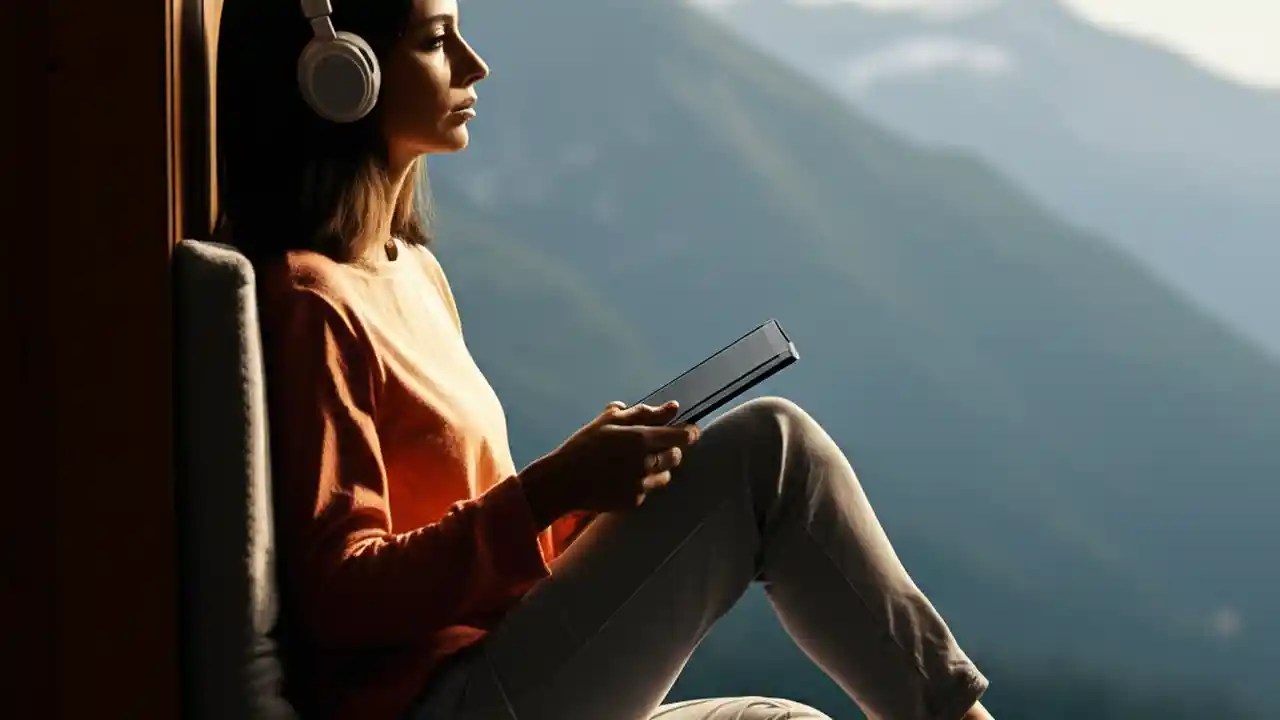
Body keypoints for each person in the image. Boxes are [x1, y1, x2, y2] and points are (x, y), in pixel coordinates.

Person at [215, 1, 993, 718]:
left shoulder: (411, 270)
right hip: (438, 703)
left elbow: (479, 544)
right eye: (435, 40)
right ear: (342, 76)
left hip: (499, 661)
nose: (473, 64)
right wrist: (549, 489)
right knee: (771, 452)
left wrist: (591, 493)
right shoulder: (313, 303)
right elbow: (342, 596)